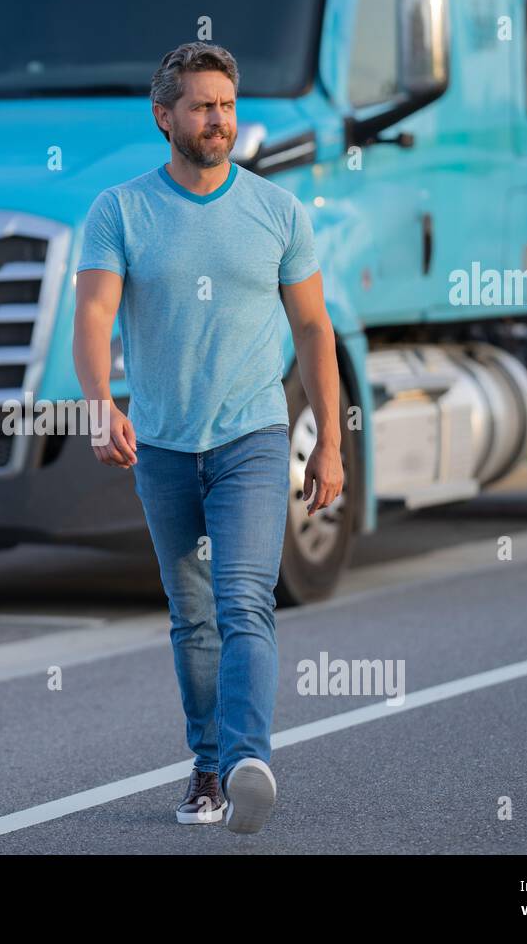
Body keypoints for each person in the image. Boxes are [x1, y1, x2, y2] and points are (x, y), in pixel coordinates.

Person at [72, 41, 343, 834]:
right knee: (192, 615)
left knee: (244, 600)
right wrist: (100, 403)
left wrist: (328, 441)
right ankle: (207, 766)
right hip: (160, 446)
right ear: (165, 117)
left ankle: (248, 758)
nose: (218, 119)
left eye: (226, 104)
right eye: (200, 106)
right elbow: (91, 318)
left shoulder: (278, 212)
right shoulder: (119, 211)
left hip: (252, 438)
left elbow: (314, 328)